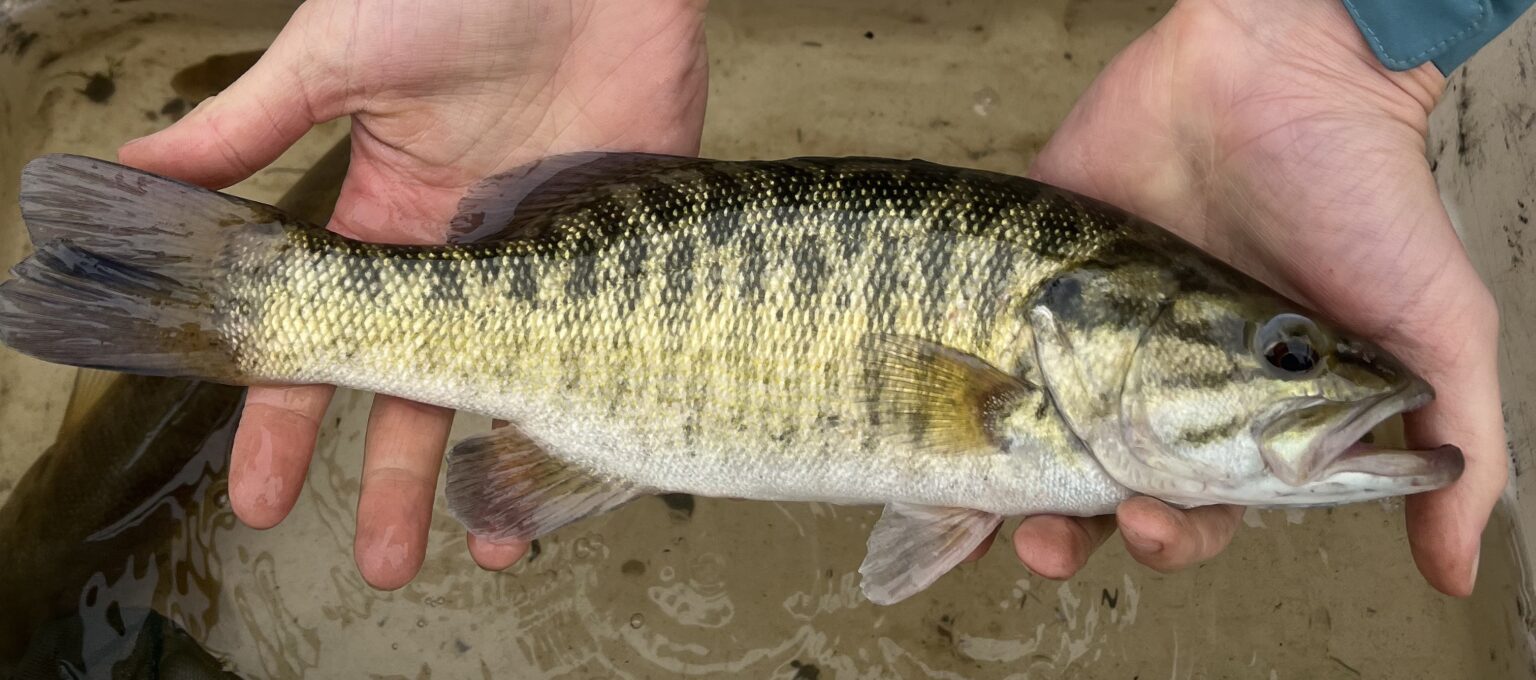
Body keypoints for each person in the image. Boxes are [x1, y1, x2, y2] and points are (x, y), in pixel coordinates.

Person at [117, 0, 1512, 597]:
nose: (1315, 374)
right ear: (1080, 335)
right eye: (1285, 350)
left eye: (1290, 353)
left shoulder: (1045, 415)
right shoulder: (1024, 414)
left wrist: (1340, 36)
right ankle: (248, 300)